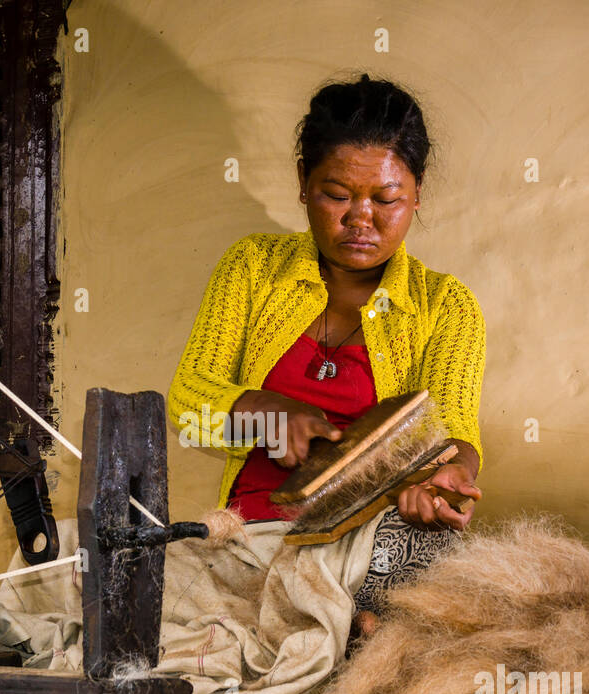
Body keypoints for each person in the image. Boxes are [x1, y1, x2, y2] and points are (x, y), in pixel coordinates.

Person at [168, 73, 486, 622]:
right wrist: (263, 413)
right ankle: (336, 633)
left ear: (418, 189)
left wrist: (443, 481)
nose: (360, 219)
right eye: (337, 195)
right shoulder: (251, 269)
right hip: (250, 540)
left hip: (367, 543)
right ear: (302, 181)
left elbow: (454, 429)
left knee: (436, 563)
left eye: (387, 198)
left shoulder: (446, 307)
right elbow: (186, 407)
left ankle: (335, 628)